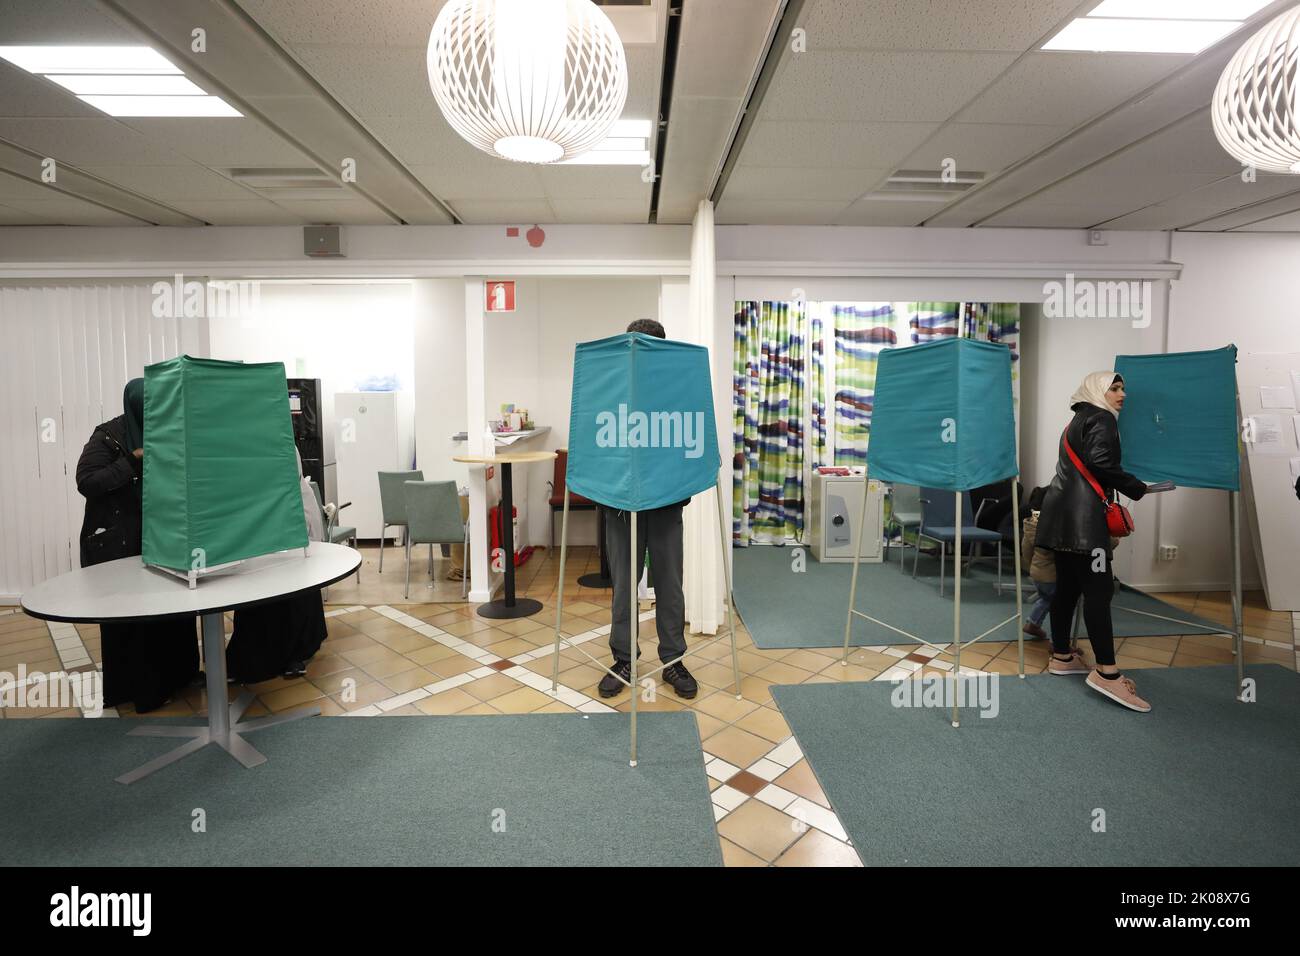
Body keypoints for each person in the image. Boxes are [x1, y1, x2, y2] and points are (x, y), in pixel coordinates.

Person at [76, 378, 199, 713]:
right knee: (134, 619)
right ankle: (144, 690)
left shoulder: (167, 431)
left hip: (162, 537)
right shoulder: (109, 435)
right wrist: (132, 460)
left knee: (172, 612)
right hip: (120, 543)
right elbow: (87, 482)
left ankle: (181, 675)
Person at [1035, 371, 1151, 712]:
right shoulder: (1102, 418)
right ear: (1097, 391)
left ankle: (1061, 655)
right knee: (1099, 592)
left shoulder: (1076, 421)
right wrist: (1135, 487)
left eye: (1123, 388)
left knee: (1068, 589)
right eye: (1114, 388)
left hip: (1059, 518)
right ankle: (1108, 674)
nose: (1122, 394)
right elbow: (1101, 463)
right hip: (1086, 525)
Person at [597, 318, 698, 700]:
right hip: (621, 506)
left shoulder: (678, 393)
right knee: (624, 586)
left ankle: (673, 661)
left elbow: (690, 444)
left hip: (666, 504)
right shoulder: (610, 391)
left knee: (670, 586)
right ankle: (624, 659)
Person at [225, 449, 328, 682]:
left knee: (295, 589)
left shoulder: (279, 442)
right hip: (263, 517)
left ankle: (295, 653)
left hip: (289, 513)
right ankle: (261, 657)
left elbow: (289, 475)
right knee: (263, 589)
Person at [1019, 486, 1055, 640]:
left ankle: (1033, 624)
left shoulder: (1031, 524)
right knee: (1060, 606)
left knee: (1046, 599)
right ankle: (1060, 644)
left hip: (1036, 572)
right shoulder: (1056, 525)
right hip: (1053, 574)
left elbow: (1026, 550)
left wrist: (1033, 565)